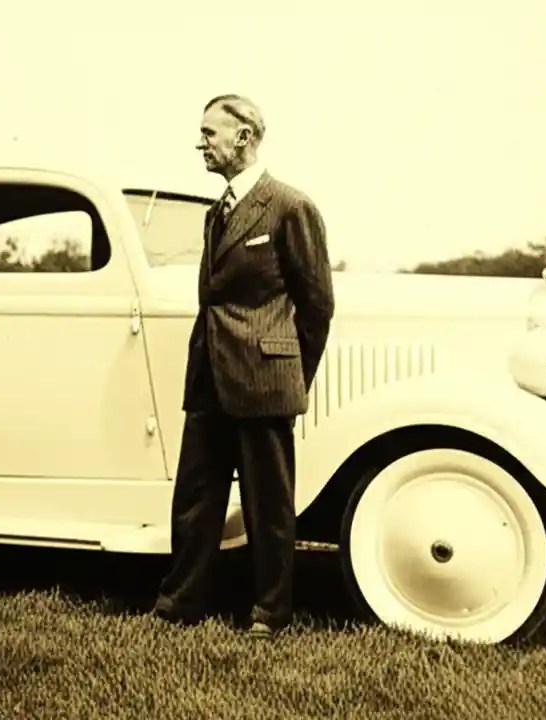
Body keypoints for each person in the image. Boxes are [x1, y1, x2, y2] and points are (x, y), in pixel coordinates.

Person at [153, 94, 335, 639]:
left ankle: (270, 613)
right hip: (209, 374)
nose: (200, 143)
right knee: (194, 498)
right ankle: (179, 604)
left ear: (244, 137)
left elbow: (318, 303)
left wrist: (290, 372)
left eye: (210, 133)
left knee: (268, 506)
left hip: (264, 379)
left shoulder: (289, 207)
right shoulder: (217, 212)